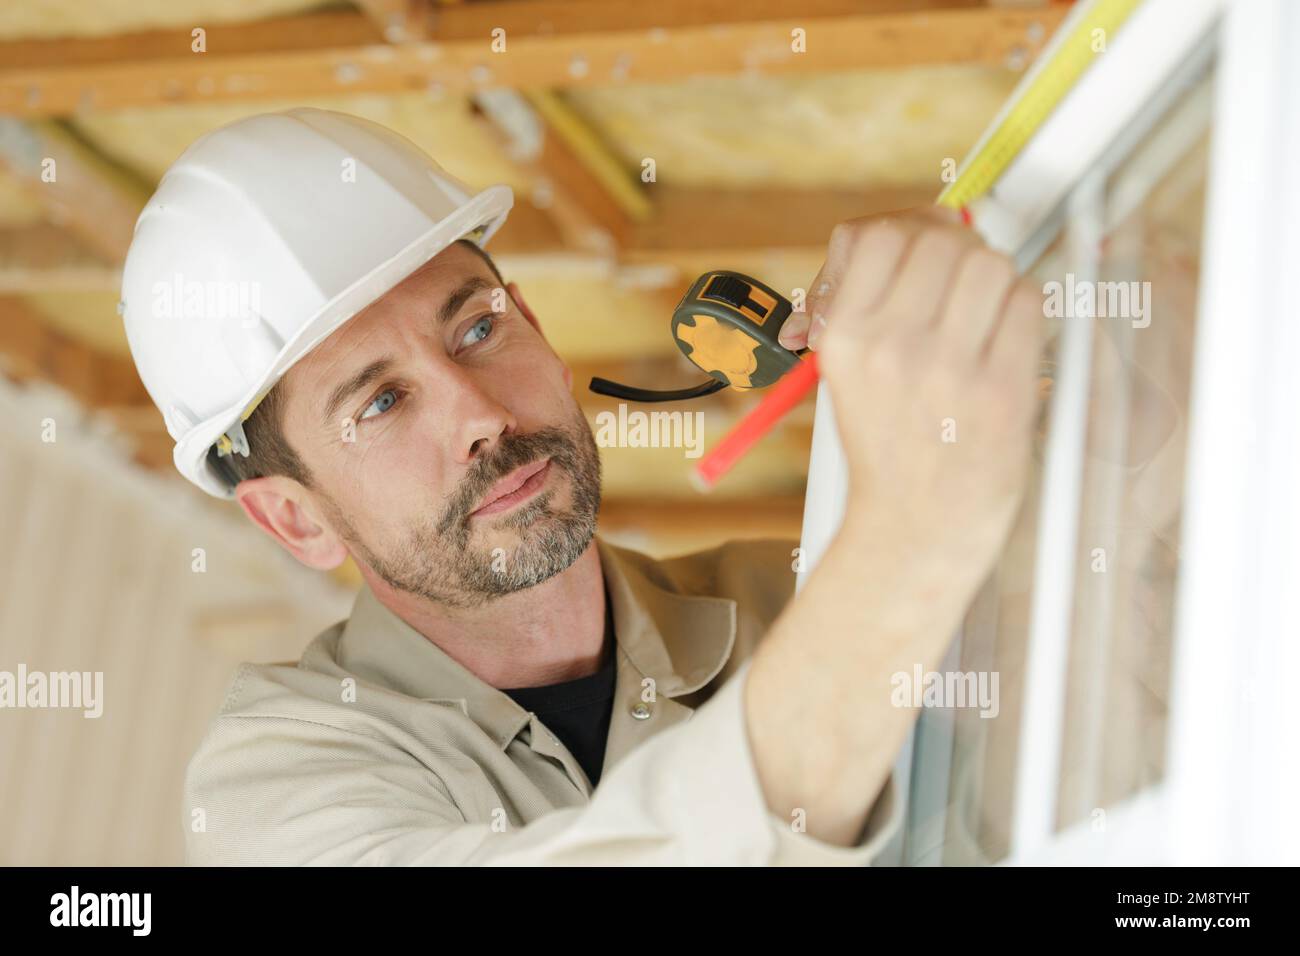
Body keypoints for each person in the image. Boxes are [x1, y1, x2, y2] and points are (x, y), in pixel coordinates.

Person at [122, 109, 1042, 865]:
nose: (478, 413)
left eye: (477, 331)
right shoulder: (280, 783)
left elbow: (1126, 708)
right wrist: (912, 531)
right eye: (384, 401)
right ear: (295, 518)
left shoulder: (793, 591)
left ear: (536, 327)